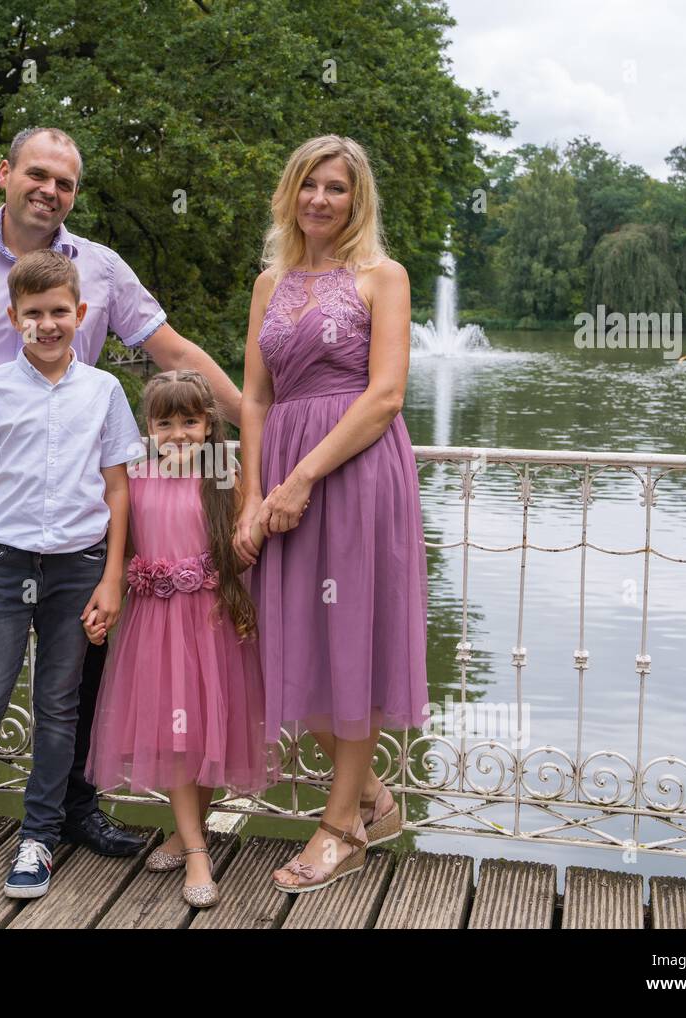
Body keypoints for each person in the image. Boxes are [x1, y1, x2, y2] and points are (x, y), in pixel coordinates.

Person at [0, 127, 242, 876]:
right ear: (4, 174)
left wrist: (256, 424)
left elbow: (173, 352)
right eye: (37, 174)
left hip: (74, 487)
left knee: (82, 660)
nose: (50, 190)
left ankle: (70, 811)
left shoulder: (99, 268)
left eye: (65, 182)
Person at [0, 250, 143, 906]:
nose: (47, 324)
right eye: (34, 314)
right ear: (13, 318)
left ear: (81, 314)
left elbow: (117, 491)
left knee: (58, 708)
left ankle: (38, 836)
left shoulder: (104, 391)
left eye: (59, 312)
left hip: (78, 569)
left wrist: (112, 580)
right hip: (6, 569)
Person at [233, 135, 429, 893]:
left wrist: (302, 479)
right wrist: (254, 491)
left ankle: (340, 825)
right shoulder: (269, 283)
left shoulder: (384, 277)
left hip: (352, 475)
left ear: (358, 199)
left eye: (337, 188)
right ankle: (373, 797)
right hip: (280, 473)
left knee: (350, 642)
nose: (320, 199)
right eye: (309, 185)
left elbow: (385, 396)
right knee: (278, 639)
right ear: (291, 192)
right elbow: (255, 396)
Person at [83, 370, 278, 907]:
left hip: (212, 622)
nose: (178, 434)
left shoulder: (225, 474)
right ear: (147, 427)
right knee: (173, 735)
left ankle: (186, 834)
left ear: (209, 423)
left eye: (189, 421)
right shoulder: (134, 474)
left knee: (204, 732)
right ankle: (196, 848)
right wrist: (109, 595)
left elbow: (246, 541)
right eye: (164, 423)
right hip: (155, 625)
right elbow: (119, 549)